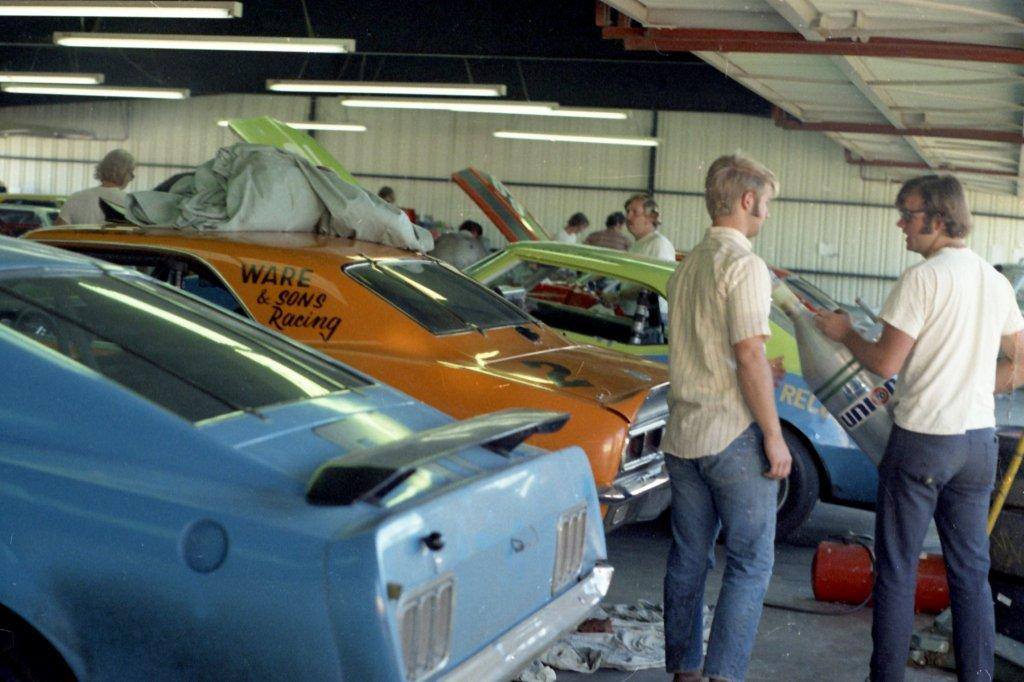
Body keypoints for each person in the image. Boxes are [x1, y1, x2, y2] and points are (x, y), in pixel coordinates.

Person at [816, 175, 1024, 682]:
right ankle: (977, 676)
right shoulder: (994, 281)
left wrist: (844, 335)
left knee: (898, 568)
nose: (900, 223)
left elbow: (885, 361)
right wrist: (976, 383)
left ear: (937, 217)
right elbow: (1021, 361)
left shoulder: (922, 278)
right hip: (977, 442)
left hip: (923, 441)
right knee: (971, 571)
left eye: (907, 213)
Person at [662, 153, 791, 682]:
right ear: (746, 200)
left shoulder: (687, 263)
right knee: (750, 563)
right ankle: (724, 675)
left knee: (689, 559)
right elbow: (747, 357)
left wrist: (762, 367)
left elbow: (717, 351)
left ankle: (686, 671)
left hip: (684, 435)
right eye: (765, 204)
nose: (766, 214)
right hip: (732, 436)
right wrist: (775, 436)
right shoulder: (745, 265)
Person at [55, 149, 135, 226]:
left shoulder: (75, 198)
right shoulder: (131, 204)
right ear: (124, 173)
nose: (132, 177)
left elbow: (57, 232)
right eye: (131, 172)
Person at [624, 193, 675, 261]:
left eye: (635, 212)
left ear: (650, 217)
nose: (628, 217)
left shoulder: (659, 244)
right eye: (628, 212)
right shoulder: (637, 245)